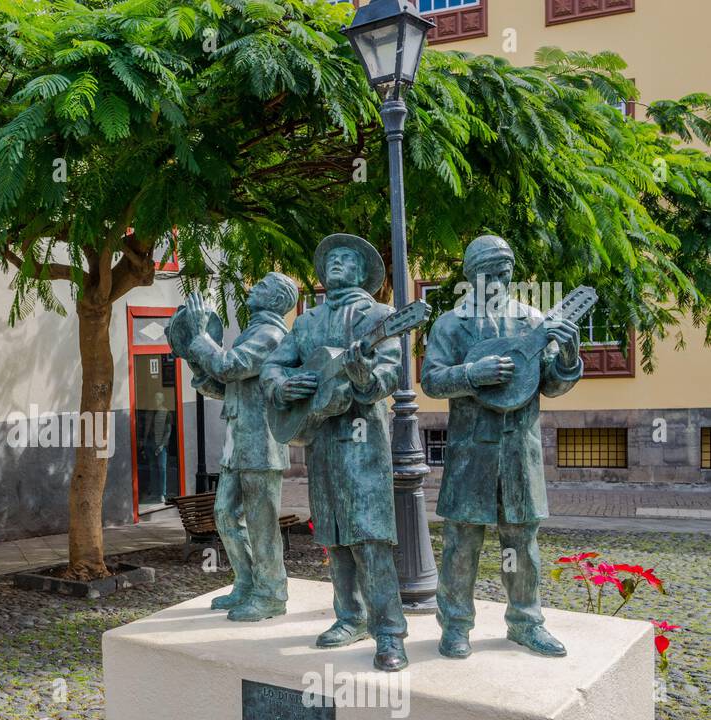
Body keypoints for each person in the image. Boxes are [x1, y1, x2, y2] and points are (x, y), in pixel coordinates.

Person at [421, 235, 584, 659]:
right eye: (490, 271)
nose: (499, 279)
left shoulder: (533, 321)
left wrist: (567, 355)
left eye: (506, 271)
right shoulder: (450, 325)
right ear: (471, 275)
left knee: (521, 543)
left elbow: (550, 384)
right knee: (461, 542)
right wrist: (472, 374)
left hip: (519, 452)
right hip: (470, 453)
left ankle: (526, 622)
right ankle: (455, 625)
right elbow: (432, 381)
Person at [260, 234, 409, 672]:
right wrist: (285, 385)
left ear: (365, 271)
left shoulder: (382, 317)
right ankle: (349, 617)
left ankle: (389, 632)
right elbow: (274, 365)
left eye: (348, 259)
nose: (337, 264)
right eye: (331, 259)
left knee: (370, 538)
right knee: (334, 536)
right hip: (322, 440)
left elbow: (387, 378)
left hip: (364, 444)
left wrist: (362, 372)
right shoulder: (306, 323)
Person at [174, 273, 297, 622]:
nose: (251, 288)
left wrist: (199, 338)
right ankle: (246, 581)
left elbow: (230, 367)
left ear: (276, 299)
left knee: (262, 522)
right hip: (238, 441)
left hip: (261, 444)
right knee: (225, 515)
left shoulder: (272, 335)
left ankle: (272, 593)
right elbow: (224, 385)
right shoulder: (252, 332)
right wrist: (195, 354)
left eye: (261, 286)